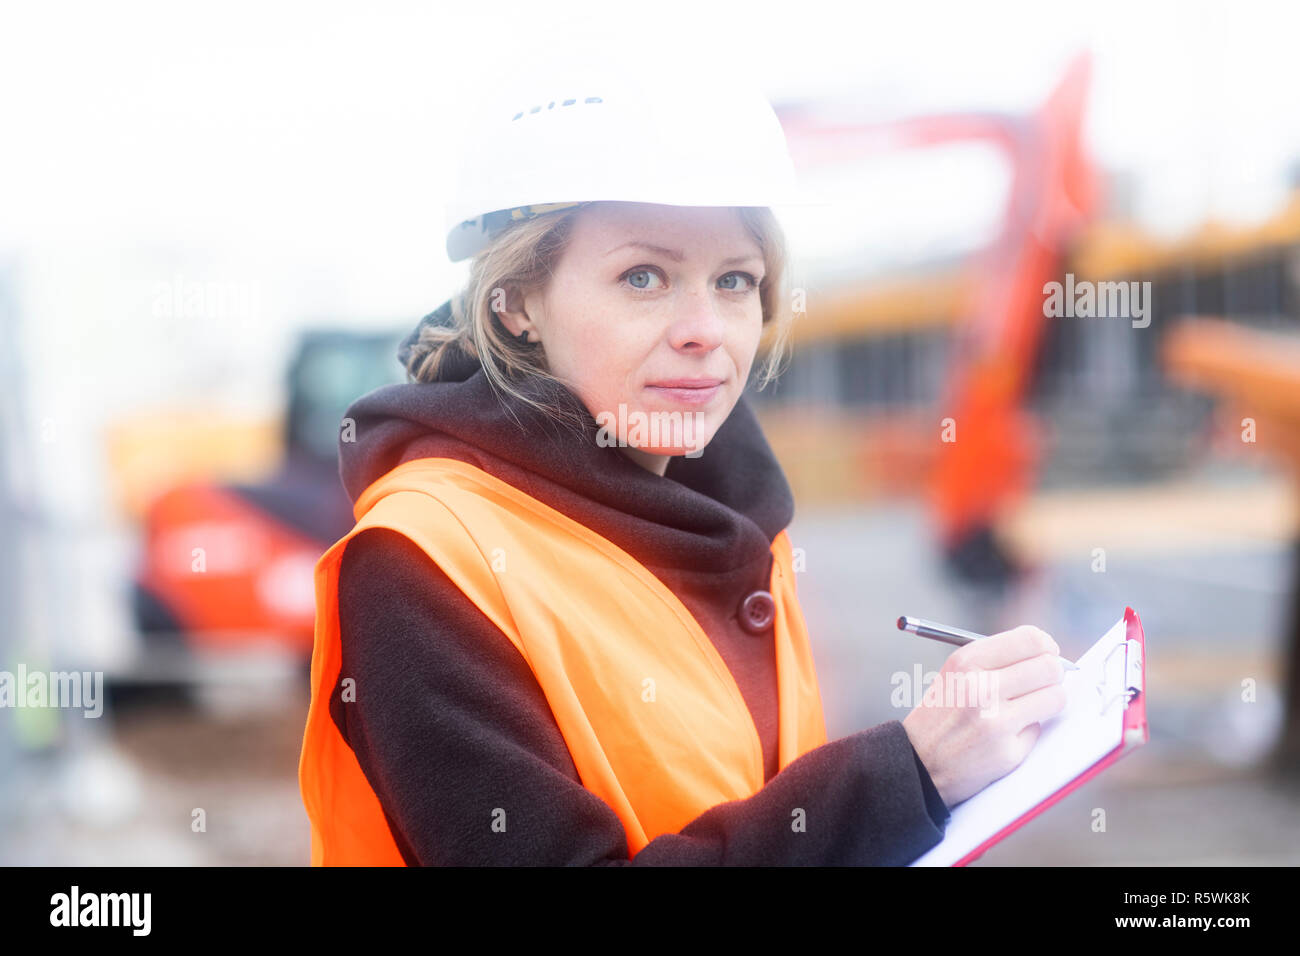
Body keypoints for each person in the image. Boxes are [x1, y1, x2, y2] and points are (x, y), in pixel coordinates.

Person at [297, 54, 1069, 866]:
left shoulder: (740, 520)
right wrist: (905, 778)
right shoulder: (420, 561)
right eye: (643, 276)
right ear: (517, 302)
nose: (705, 328)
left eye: (735, 280)